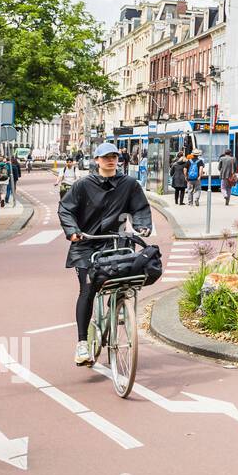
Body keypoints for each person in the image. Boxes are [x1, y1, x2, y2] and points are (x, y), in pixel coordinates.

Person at [58, 142, 153, 367]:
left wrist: (142, 226)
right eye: (105, 157)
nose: (110, 160)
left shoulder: (129, 184)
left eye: (114, 156)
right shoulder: (83, 185)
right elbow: (65, 208)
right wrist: (73, 232)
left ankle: (118, 308)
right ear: (97, 160)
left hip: (115, 242)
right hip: (86, 243)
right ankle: (82, 344)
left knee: (126, 279)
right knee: (88, 289)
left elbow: (140, 208)